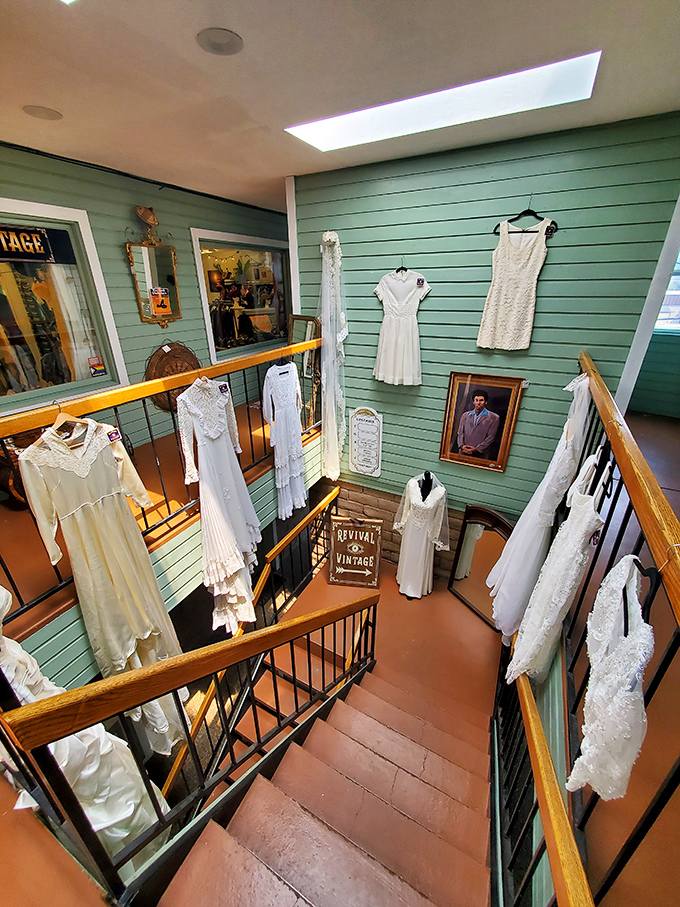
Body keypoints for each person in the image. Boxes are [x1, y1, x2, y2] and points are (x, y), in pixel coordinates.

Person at [454, 389, 500, 458]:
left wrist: (477, 449)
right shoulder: (465, 415)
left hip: (480, 454)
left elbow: (491, 437)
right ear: (473, 402)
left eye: (481, 400)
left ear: (486, 402)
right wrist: (462, 446)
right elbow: (460, 432)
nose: (478, 403)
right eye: (476, 400)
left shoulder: (494, 418)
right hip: (463, 452)